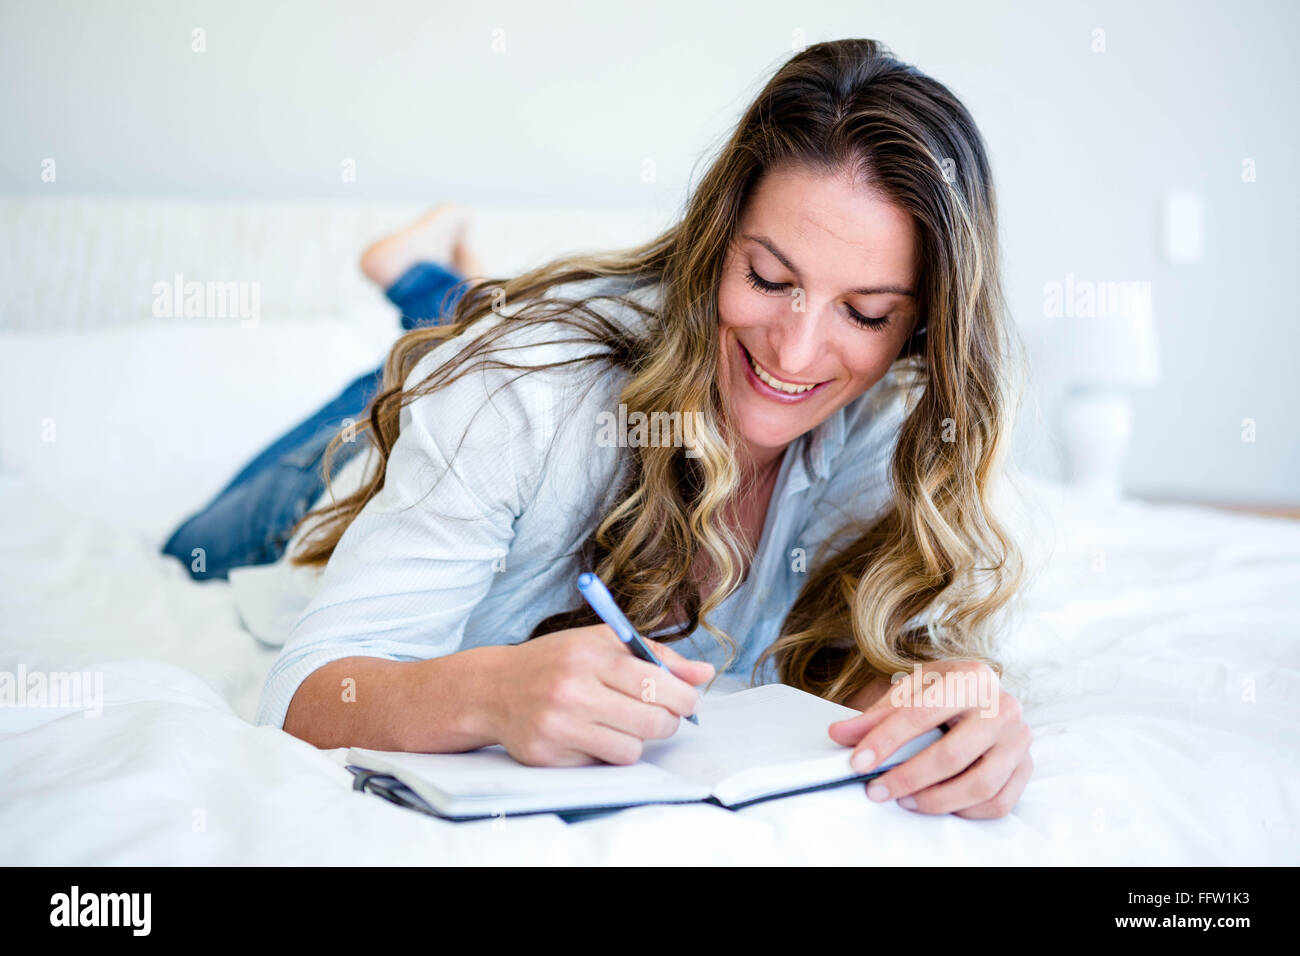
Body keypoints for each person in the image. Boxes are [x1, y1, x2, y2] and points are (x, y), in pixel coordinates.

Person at [177, 38, 1036, 819]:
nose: (799, 352)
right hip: (336, 480)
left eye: (866, 312)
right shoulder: (521, 394)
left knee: (478, 336)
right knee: (199, 536)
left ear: (920, 329)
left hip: (533, 361)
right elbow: (302, 695)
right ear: (711, 244)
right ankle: (419, 285)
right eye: (770, 279)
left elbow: (880, 657)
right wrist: (488, 692)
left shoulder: (888, 426)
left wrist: (946, 704)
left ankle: (437, 285)